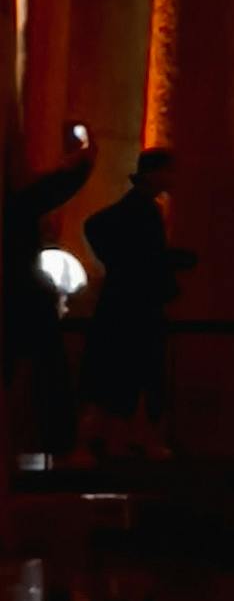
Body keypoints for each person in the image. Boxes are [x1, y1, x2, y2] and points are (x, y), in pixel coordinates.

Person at [80, 148, 195, 454]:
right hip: (137, 307)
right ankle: (133, 438)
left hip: (128, 303)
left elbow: (96, 227)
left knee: (124, 372)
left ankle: (116, 438)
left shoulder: (138, 208)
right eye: (168, 171)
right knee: (138, 370)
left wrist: (119, 263)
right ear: (155, 174)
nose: (173, 178)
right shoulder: (142, 210)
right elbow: (146, 255)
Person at [5, 123, 94, 458]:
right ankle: (58, 445)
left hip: (20, 292)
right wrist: (84, 159)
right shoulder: (18, 206)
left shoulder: (18, 204)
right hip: (21, 294)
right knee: (50, 368)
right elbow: (49, 190)